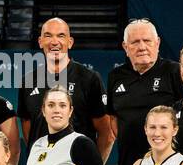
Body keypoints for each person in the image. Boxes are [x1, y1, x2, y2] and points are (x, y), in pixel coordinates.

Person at [106, 19, 183, 165]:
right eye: (135, 42)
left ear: (157, 43)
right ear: (125, 47)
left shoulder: (174, 72)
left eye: (147, 41)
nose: (142, 47)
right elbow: (112, 120)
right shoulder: (115, 76)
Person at [17, 17, 113, 152]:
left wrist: (93, 164)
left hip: (77, 164)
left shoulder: (89, 79)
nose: (54, 41)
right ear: (40, 42)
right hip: (41, 163)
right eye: (48, 36)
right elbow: (28, 130)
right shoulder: (28, 81)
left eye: (61, 36)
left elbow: (107, 134)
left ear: (70, 42)